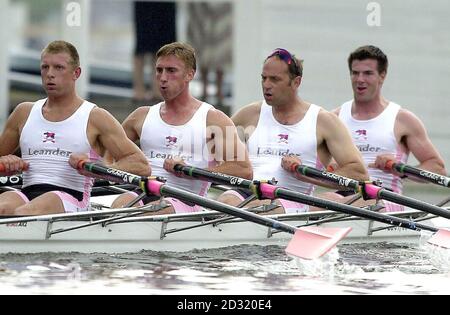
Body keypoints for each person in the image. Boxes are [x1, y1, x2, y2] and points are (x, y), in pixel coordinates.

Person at [0, 40, 150, 216]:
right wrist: (6, 163)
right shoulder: (23, 112)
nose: (50, 74)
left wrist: (98, 169)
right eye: (45, 67)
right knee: (4, 207)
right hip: (27, 194)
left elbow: (141, 165)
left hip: (72, 198)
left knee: (29, 210)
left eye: (58, 68)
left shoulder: (95, 117)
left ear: (76, 73)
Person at [217, 48, 368, 213]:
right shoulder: (249, 114)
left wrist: (305, 175)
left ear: (296, 82)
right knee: (224, 201)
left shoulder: (323, 121)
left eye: (275, 79)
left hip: (292, 198)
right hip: (247, 192)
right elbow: (210, 153)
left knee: (263, 208)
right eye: (264, 78)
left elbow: (359, 173)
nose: (266, 85)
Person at [110, 42, 252, 214]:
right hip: (143, 192)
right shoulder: (140, 116)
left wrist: (192, 172)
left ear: (190, 75)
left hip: (187, 201)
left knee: (153, 211)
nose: (162, 77)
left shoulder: (214, 119)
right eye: (159, 70)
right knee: (119, 205)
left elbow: (243, 170)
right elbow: (106, 157)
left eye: (171, 71)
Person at [333, 45, 446, 211]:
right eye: (355, 73)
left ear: (382, 76)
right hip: (341, 196)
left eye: (368, 73)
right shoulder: (334, 118)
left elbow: (437, 168)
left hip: (384, 197)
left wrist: (399, 170)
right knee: (322, 200)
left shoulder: (402, 119)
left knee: (362, 202)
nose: (360, 79)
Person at [187, 2, 232, 106]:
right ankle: (204, 90)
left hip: (222, 7)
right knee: (200, 44)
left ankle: (219, 91)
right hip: (199, 7)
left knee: (221, 45)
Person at [132, 1, 176, 104]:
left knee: (163, 46)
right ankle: (139, 89)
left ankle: (158, 88)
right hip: (145, 4)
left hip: (165, 5)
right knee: (141, 46)